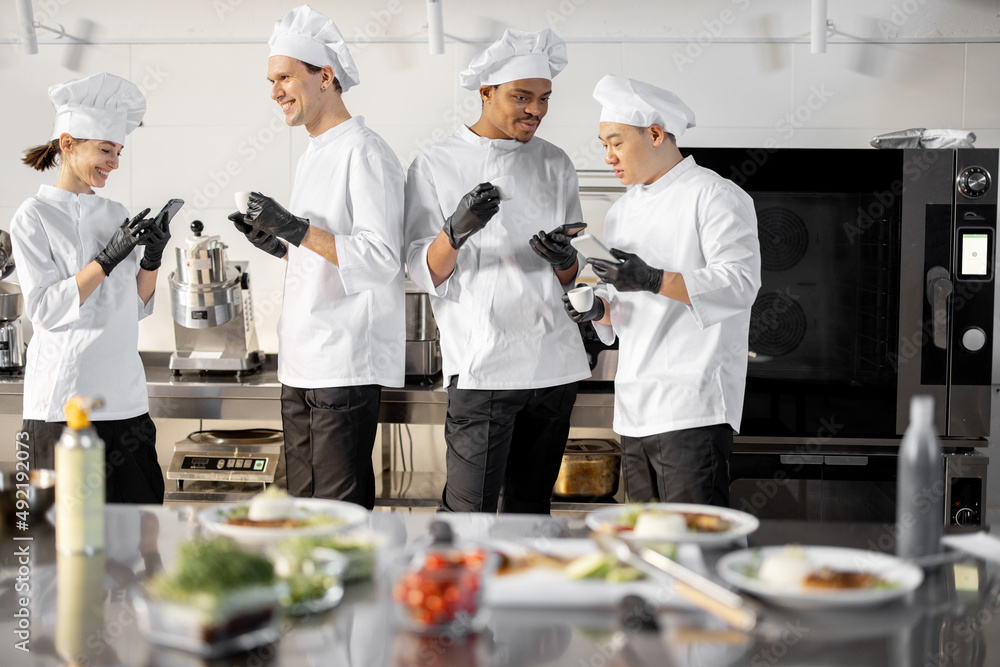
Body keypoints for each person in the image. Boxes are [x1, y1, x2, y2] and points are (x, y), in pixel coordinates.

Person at [404, 28, 590, 514]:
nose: (535, 110)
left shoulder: (556, 163)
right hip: (484, 365)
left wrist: (566, 261)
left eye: (544, 99)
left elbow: (574, 280)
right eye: (521, 97)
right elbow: (424, 273)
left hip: (554, 365)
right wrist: (456, 230)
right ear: (486, 92)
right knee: (469, 518)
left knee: (530, 515)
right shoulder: (435, 164)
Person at [229, 5, 405, 510]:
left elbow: (380, 259)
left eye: (284, 77)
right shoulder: (314, 152)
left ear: (325, 76)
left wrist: (297, 228)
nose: (275, 91)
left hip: (345, 364)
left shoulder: (365, 152)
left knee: (338, 518)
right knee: (300, 512)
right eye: (271, 80)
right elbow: (326, 257)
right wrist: (280, 244)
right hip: (302, 362)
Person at [564, 75, 761, 507]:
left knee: (693, 548)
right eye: (603, 144)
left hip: (693, 405)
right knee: (647, 547)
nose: (608, 156)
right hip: (635, 409)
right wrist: (595, 309)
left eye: (615, 142)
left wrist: (653, 278)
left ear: (655, 133)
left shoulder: (715, 196)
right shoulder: (620, 212)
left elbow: (740, 285)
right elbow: (627, 311)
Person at [11, 72, 168, 504]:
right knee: (59, 544)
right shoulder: (33, 216)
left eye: (117, 151)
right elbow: (43, 309)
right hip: (62, 403)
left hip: (125, 403)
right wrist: (105, 259)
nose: (113, 162)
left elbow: (133, 306)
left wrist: (151, 259)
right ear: (67, 143)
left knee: (139, 530)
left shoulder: (114, 211)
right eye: (104, 149)